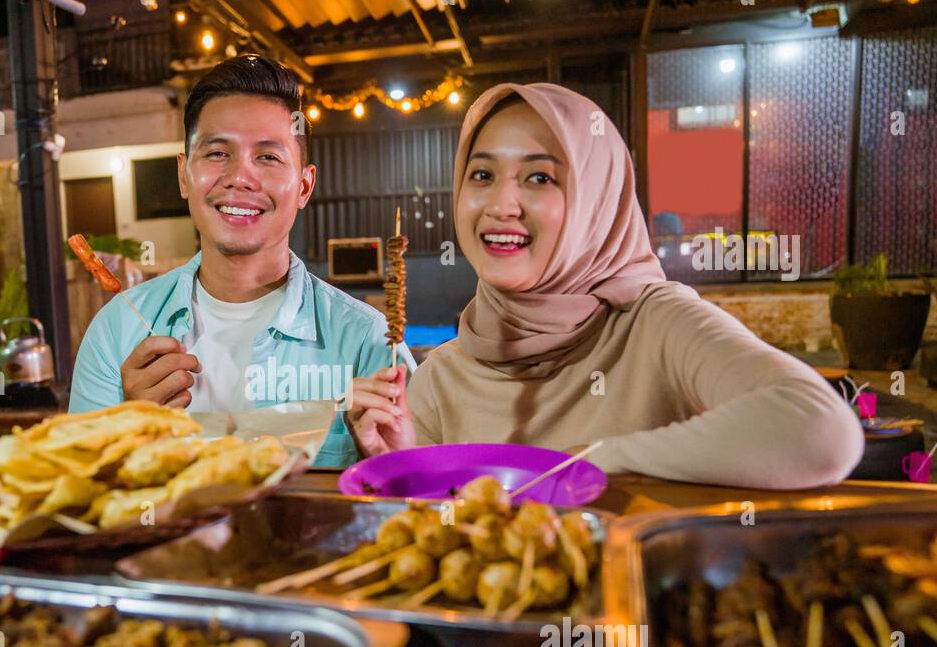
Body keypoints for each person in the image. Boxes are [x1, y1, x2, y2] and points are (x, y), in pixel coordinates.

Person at [346, 83, 863, 488]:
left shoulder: (658, 323)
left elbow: (819, 430)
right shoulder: (441, 378)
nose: (501, 204)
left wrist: (568, 469)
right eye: (481, 176)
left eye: (540, 178)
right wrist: (402, 467)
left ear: (597, 199)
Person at [69, 54, 412, 468]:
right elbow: (81, 506)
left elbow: (416, 507)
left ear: (304, 186)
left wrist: (388, 463)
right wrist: (127, 435)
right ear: (183, 176)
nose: (240, 177)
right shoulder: (116, 333)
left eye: (268, 157)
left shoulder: (368, 343)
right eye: (217, 153)